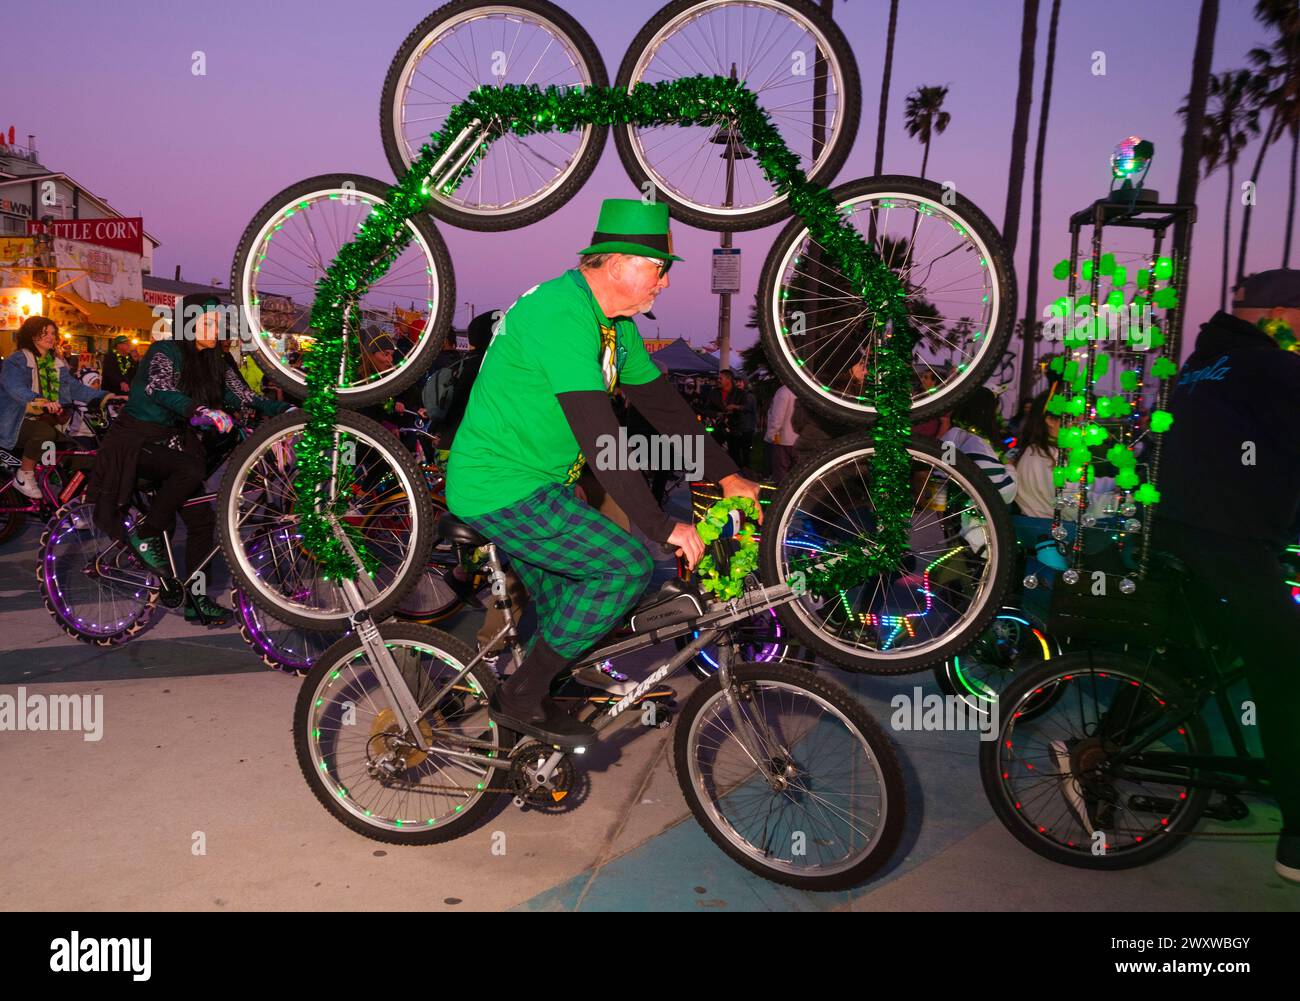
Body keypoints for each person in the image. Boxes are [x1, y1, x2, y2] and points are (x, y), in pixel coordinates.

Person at [447, 198, 760, 747]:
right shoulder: (560, 313)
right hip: (500, 486)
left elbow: (663, 407)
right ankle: (521, 697)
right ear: (617, 266)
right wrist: (662, 526)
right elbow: (601, 438)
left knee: (571, 611)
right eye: (657, 268)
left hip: (541, 486)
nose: (663, 282)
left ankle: (542, 707)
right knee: (624, 568)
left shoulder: (614, 325)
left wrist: (728, 474)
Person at [1153, 268, 1300, 884]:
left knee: (1190, 659)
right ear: (1282, 314)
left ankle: (1122, 735)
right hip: (1231, 546)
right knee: (1286, 673)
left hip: (1179, 535)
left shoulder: (1202, 365)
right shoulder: (1274, 369)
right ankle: (1298, 833)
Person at [85, 295, 291, 626]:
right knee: (190, 468)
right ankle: (149, 533)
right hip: (135, 442)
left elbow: (246, 396)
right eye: (207, 322)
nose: (215, 328)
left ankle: (198, 600)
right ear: (188, 323)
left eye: (218, 322)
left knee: (202, 522)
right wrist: (199, 410)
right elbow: (159, 388)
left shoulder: (215, 361)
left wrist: (289, 412)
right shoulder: (164, 351)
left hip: (173, 445)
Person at [0, 316, 120, 498]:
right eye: (44, 333)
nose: (51, 337)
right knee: (44, 434)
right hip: (16, 422)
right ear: (32, 335)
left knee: (80, 459)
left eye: (53, 333)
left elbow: (75, 388)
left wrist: (107, 396)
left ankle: (71, 507)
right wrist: (39, 401)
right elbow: (13, 386)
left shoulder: (56, 364)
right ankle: (24, 475)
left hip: (47, 420)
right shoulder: (17, 360)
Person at [764, 382, 798, 482]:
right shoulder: (801, 390)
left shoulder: (783, 392)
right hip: (799, 438)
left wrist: (770, 436)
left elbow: (777, 418)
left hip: (783, 440)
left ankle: (782, 494)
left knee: (781, 472)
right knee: (797, 473)